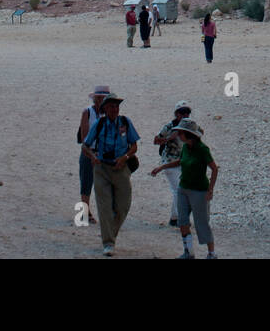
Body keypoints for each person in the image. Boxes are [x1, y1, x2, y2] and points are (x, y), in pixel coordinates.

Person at [80, 92, 139, 256]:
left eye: (117, 106)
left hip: (121, 167)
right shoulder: (97, 121)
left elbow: (134, 146)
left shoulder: (125, 122)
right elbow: (85, 144)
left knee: (123, 205)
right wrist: (92, 157)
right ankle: (107, 241)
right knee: (103, 206)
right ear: (105, 108)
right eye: (112, 106)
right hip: (101, 168)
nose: (115, 109)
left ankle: (107, 232)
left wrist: (125, 157)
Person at [151, 118, 219, 259]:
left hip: (199, 190)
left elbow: (214, 168)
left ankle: (211, 253)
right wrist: (162, 167)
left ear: (188, 134)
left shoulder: (202, 149)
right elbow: (180, 161)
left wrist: (210, 190)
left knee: (202, 222)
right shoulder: (186, 148)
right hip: (184, 188)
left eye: (181, 133)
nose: (179, 135)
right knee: (183, 221)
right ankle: (188, 251)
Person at [153, 100, 192, 227]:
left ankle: (177, 217)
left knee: (183, 189)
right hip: (169, 161)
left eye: (187, 112)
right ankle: (176, 218)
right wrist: (169, 137)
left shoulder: (189, 126)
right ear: (177, 114)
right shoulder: (169, 127)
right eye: (182, 112)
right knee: (178, 189)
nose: (185, 115)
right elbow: (156, 140)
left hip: (183, 161)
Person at [77, 85, 112, 225]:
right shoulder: (88, 112)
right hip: (88, 152)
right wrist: (92, 155)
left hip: (103, 154)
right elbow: (85, 137)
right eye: (101, 98)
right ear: (96, 99)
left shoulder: (109, 114)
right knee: (86, 182)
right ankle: (85, 214)